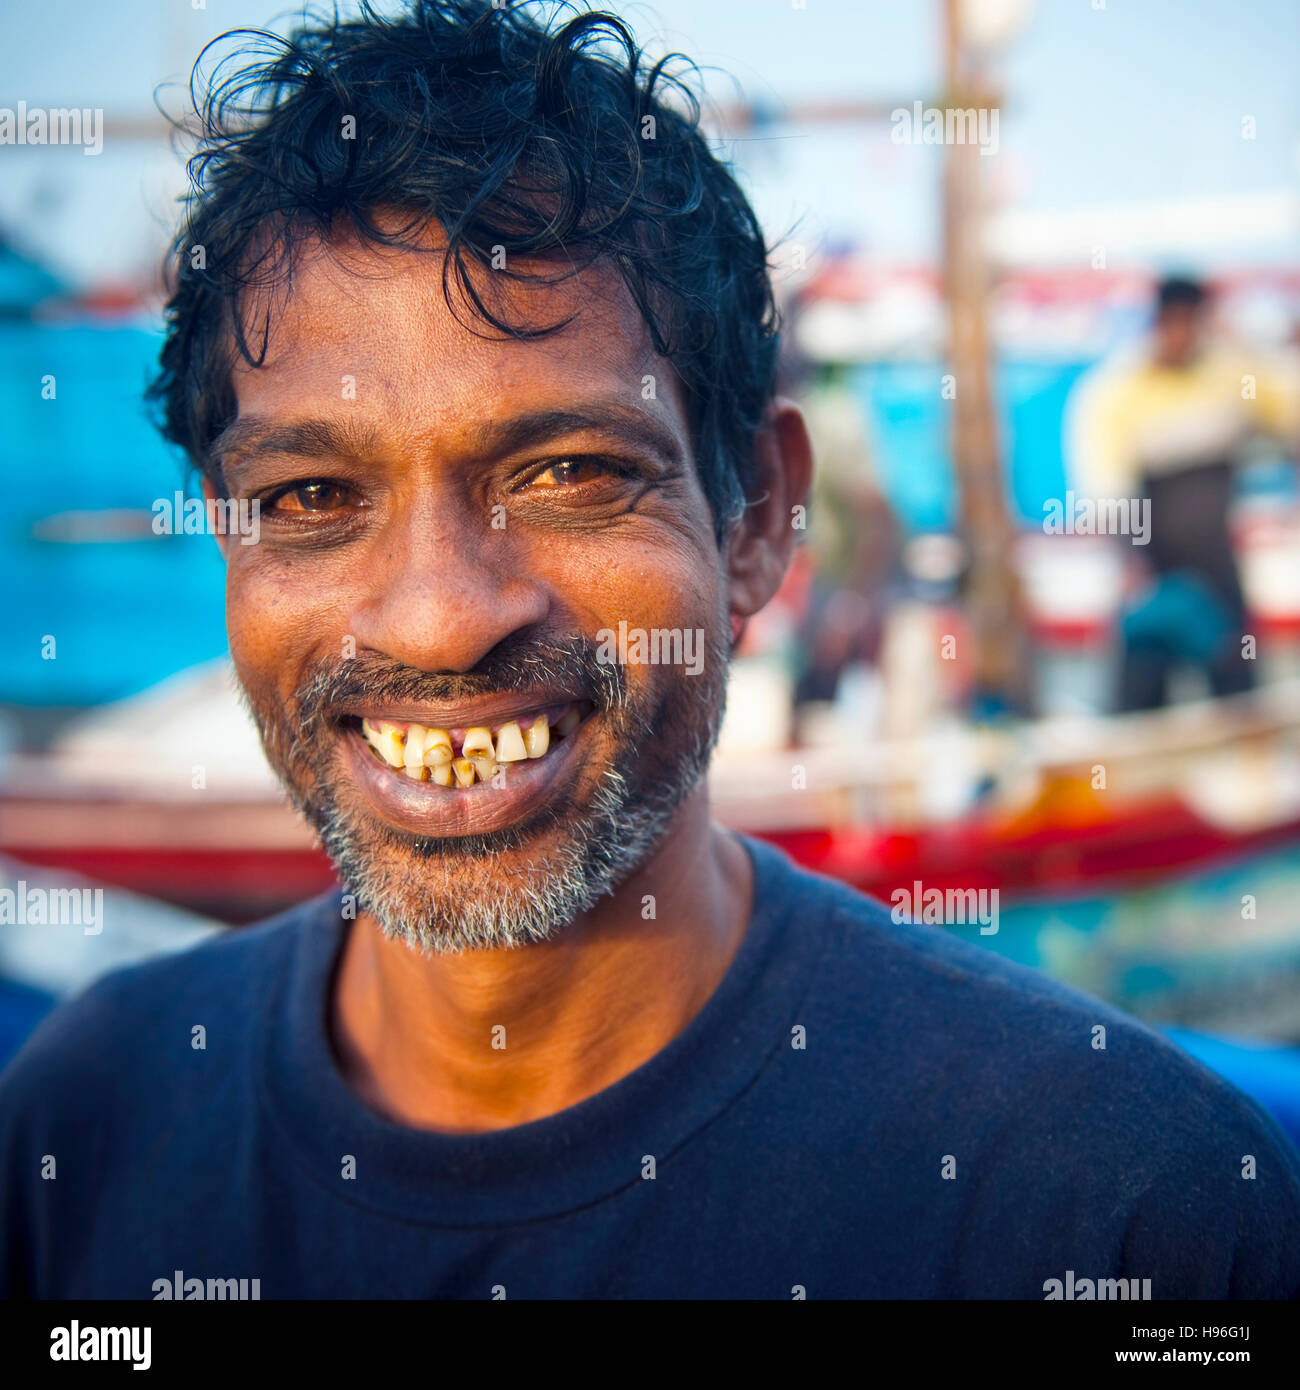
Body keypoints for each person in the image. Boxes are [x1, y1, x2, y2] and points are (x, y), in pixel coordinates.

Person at [2, 2, 1298, 1300]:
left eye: (571, 471)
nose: (441, 616)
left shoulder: (1123, 1209)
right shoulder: (80, 1132)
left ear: (757, 521)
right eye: (311, 499)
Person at [1068, 275, 1300, 709]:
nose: (1181, 335)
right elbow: (1108, 489)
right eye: (1172, 323)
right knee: (1139, 700)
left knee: (1238, 694)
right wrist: (1132, 565)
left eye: (1190, 323)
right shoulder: (1117, 390)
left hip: (1217, 567)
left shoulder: (1234, 374)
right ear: (1156, 323)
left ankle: (1242, 771)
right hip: (1152, 566)